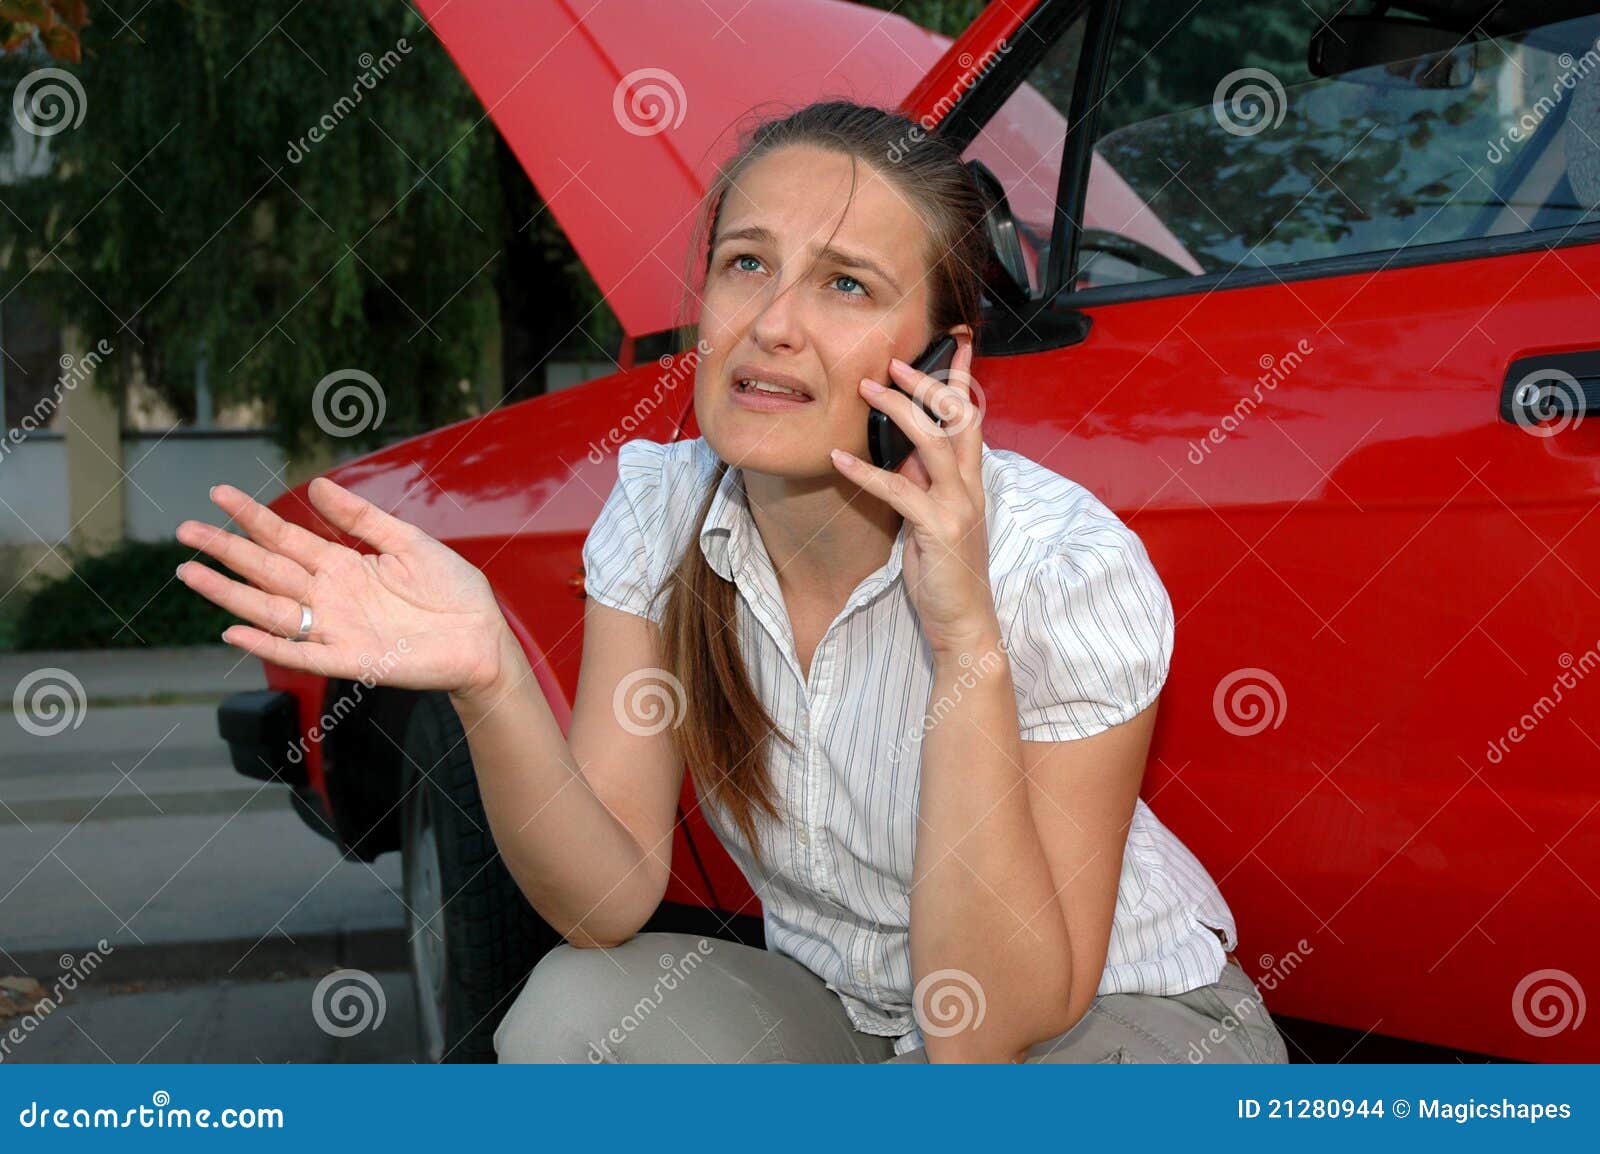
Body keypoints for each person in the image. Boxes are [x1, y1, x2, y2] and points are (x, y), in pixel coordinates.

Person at [174, 99, 1290, 1065]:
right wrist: (493, 677)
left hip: (1106, 1034)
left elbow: (984, 1030)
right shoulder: (661, 512)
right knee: (575, 1014)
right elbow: (602, 903)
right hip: (851, 1021)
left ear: (945, 360)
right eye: (745, 262)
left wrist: (965, 640)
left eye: (845, 284)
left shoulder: (1058, 565)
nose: (771, 322)